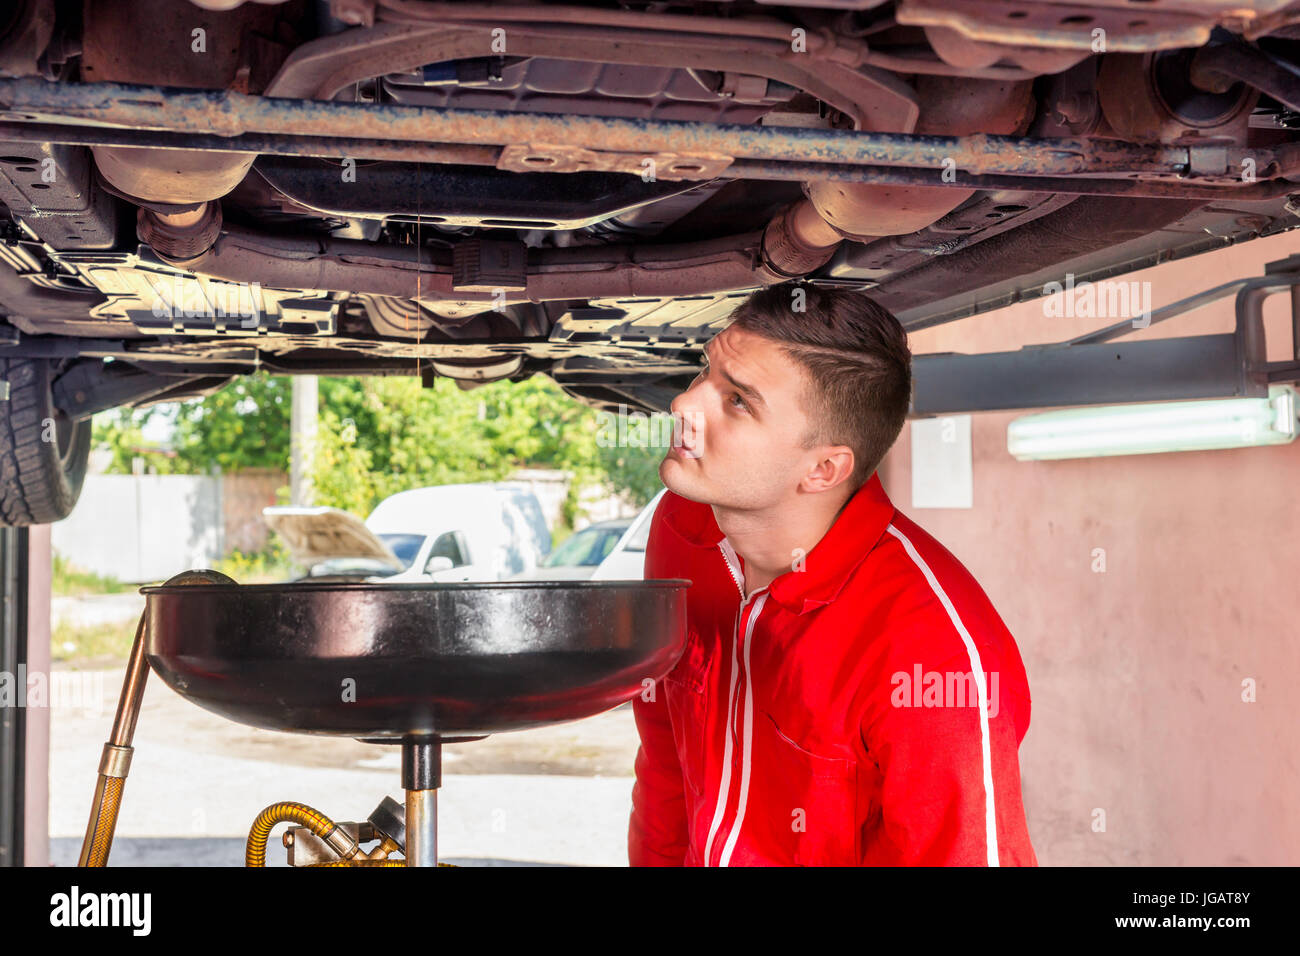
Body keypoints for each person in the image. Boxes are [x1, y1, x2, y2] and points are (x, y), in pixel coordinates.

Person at [628, 284, 1038, 866]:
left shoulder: (935, 657)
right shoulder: (684, 526)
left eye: (739, 401)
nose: (684, 405)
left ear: (823, 468)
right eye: (707, 373)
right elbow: (666, 756)